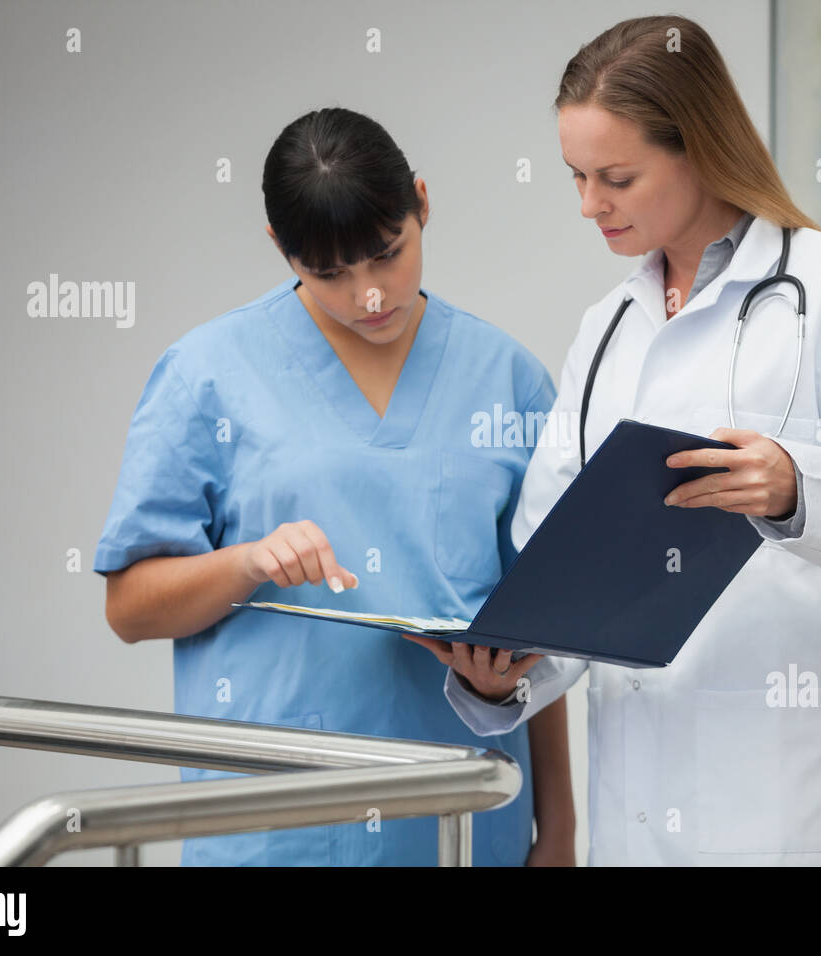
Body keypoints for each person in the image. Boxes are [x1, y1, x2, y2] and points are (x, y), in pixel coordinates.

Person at [404, 15, 821, 865]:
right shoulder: (608, 329)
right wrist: (506, 671)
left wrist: (796, 490)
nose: (589, 204)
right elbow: (558, 568)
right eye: (576, 176)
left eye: (618, 177)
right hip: (638, 800)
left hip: (802, 796)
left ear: (699, 147)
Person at [94, 107, 575, 866]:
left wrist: (561, 833)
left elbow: (551, 628)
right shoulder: (206, 375)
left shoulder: (508, 380)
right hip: (276, 831)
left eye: (388, 255)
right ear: (280, 250)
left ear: (422, 201)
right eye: (329, 274)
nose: (370, 296)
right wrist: (245, 564)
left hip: (466, 822)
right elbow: (128, 608)